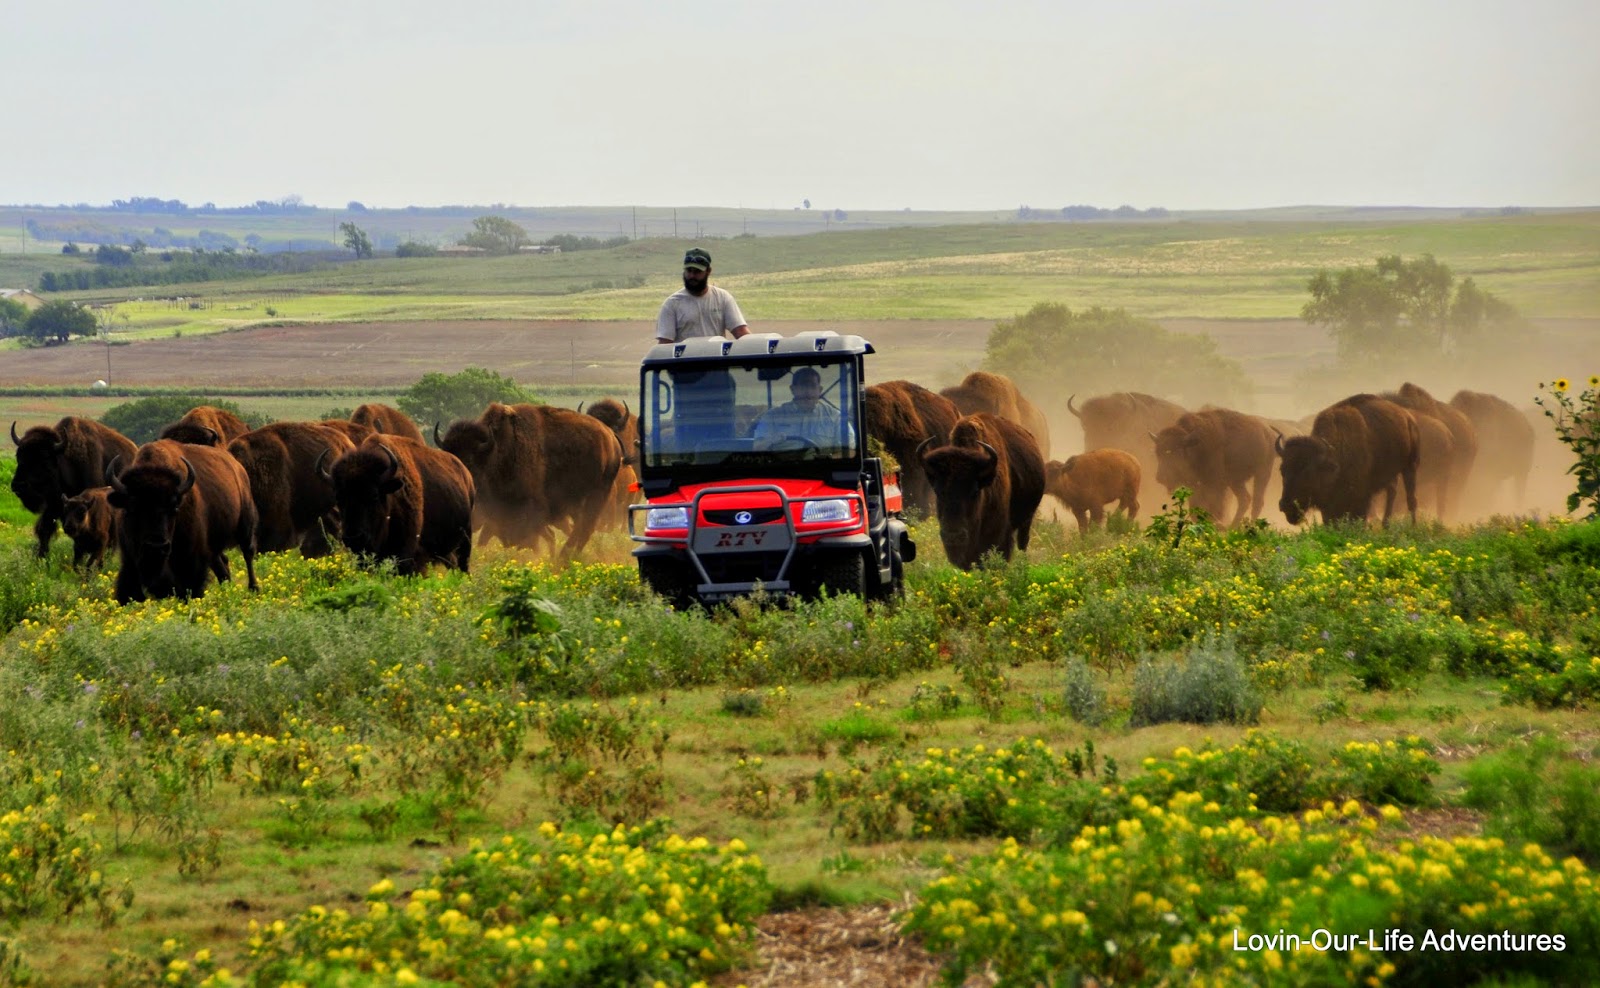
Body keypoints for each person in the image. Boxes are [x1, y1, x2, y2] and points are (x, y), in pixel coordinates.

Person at [655, 248, 750, 344]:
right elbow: (665, 344)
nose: (692, 276)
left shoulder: (723, 298)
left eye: (697, 271)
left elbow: (741, 332)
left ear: (708, 271)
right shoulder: (671, 304)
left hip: (715, 356)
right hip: (685, 358)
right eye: (689, 270)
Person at [752, 367, 856, 450]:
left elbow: (850, 451)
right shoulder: (773, 417)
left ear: (819, 390)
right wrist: (772, 441)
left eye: (812, 387)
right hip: (781, 471)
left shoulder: (835, 417)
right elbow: (757, 448)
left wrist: (823, 459)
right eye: (803, 386)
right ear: (793, 389)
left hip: (824, 471)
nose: (808, 392)